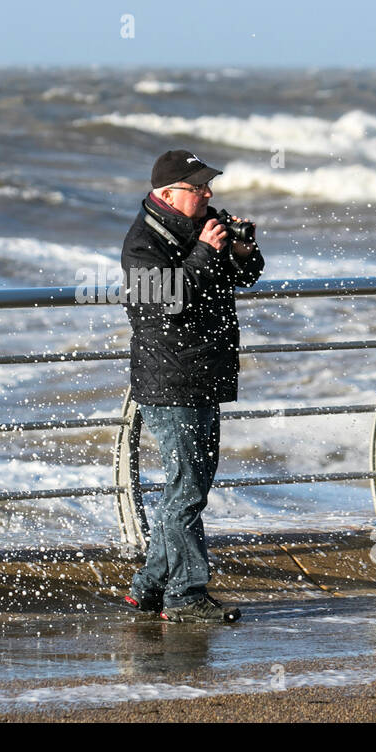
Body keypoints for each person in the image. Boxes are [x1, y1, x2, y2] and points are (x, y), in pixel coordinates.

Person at [120, 149, 265, 623]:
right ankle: (184, 596)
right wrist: (206, 250)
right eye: (197, 187)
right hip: (170, 380)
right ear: (165, 194)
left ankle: (147, 588)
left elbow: (238, 278)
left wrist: (243, 252)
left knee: (192, 488)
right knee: (186, 490)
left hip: (205, 374)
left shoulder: (205, 226)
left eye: (208, 186)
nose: (208, 194)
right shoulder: (142, 243)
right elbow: (169, 300)